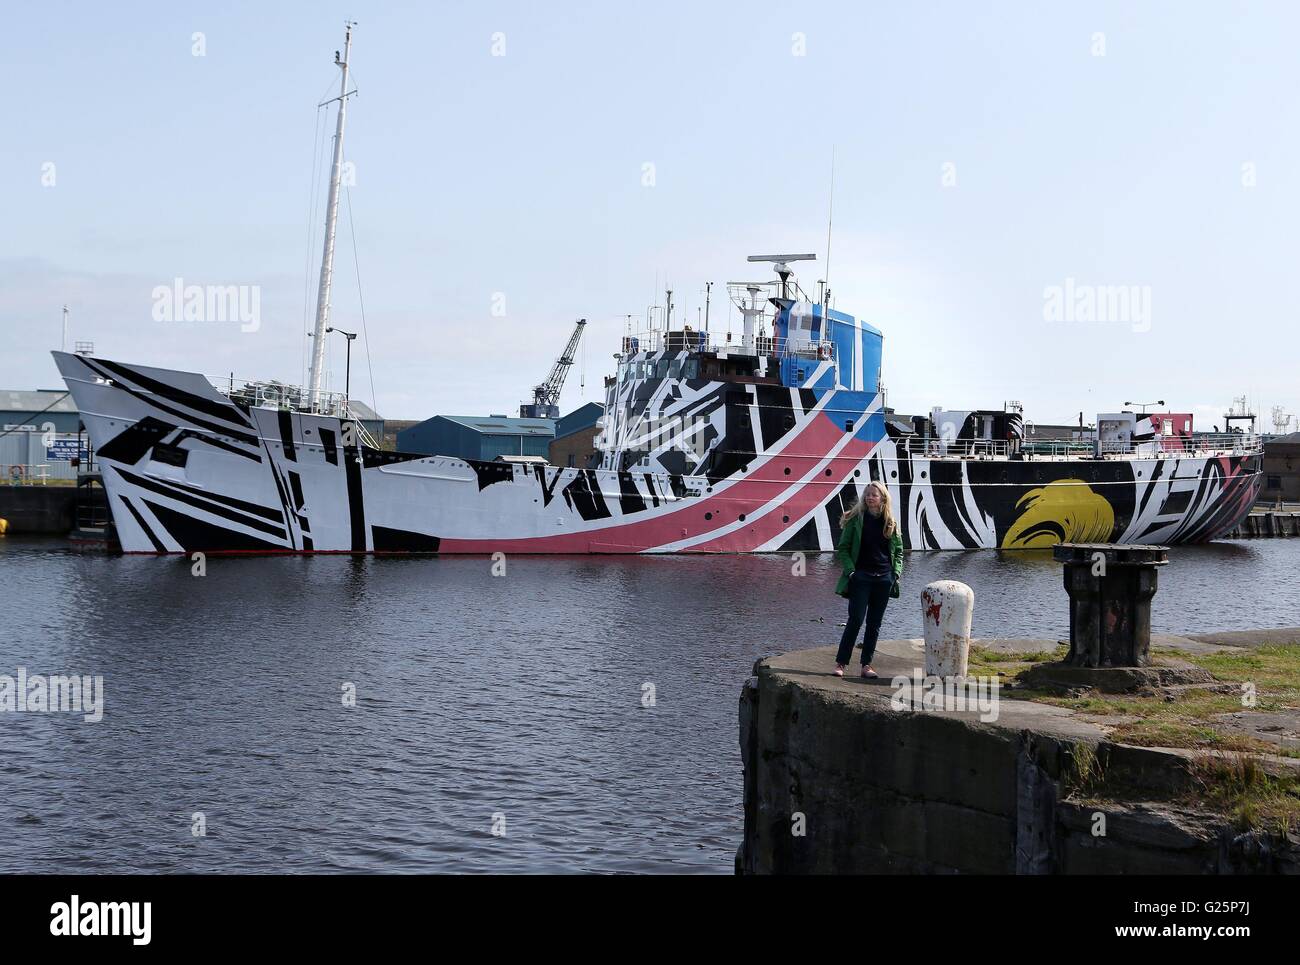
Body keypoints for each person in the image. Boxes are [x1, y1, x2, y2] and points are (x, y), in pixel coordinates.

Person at [832, 480, 903, 678]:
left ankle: (866, 666)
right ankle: (841, 663)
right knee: (855, 620)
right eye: (868, 494)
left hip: (883, 579)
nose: (870, 497)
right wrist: (851, 572)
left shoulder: (890, 522)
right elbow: (844, 549)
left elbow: (898, 551)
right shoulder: (856, 519)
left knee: (874, 623)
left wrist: (895, 573)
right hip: (861, 577)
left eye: (874, 494)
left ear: (882, 498)